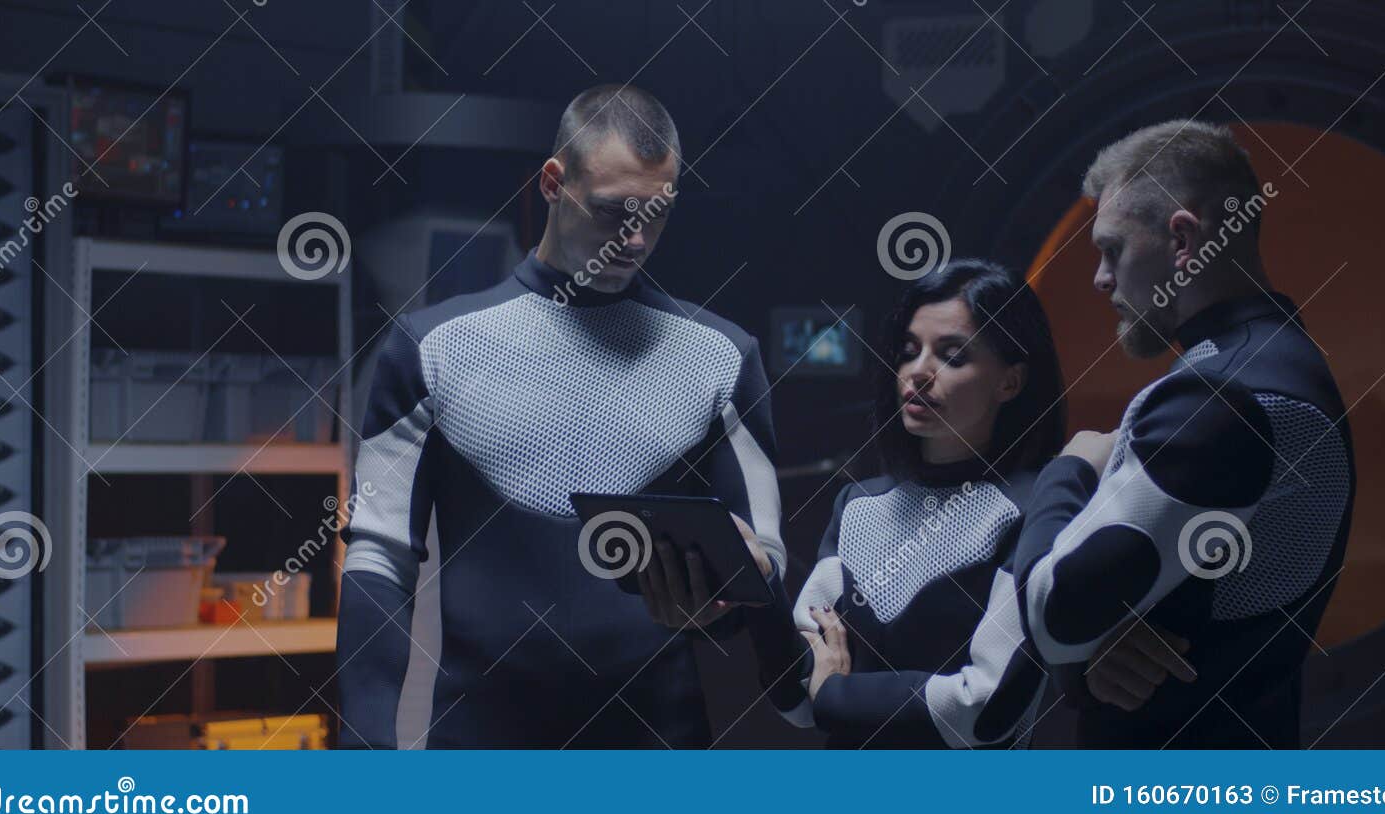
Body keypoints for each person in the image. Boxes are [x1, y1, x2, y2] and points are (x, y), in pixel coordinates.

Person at [335, 84, 785, 748]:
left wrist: (722, 601)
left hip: (656, 745)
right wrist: (363, 755)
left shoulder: (720, 358)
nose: (635, 238)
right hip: (482, 748)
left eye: (656, 213)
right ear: (553, 182)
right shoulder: (430, 349)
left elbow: (766, 562)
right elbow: (379, 557)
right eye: (611, 211)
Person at [1011, 119, 1356, 747]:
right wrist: (1087, 658)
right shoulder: (1271, 361)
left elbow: (1052, 613)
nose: (1100, 279)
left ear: (1182, 240)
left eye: (1112, 249)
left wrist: (1071, 467)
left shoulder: (1221, 398)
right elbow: (1103, 630)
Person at [723, 259, 1069, 747]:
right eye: (908, 351)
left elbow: (985, 709)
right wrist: (761, 592)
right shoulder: (858, 504)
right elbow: (800, 700)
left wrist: (840, 696)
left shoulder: (1039, 508)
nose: (918, 372)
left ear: (1010, 382)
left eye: (952, 355)